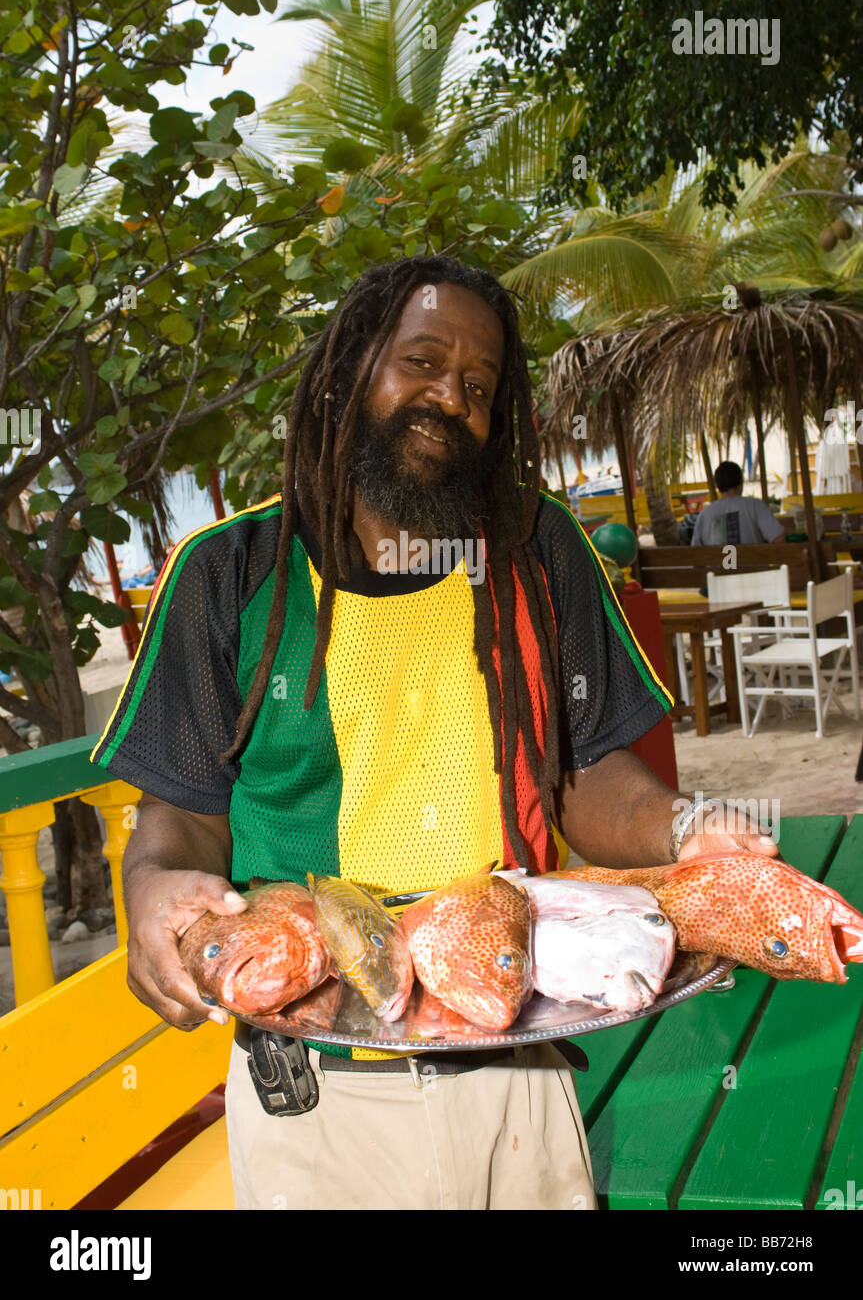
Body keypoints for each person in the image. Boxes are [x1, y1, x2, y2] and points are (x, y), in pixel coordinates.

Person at [91, 257, 778, 1211]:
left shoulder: (539, 556)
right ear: (345, 375)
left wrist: (688, 828)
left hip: (518, 1062)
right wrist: (155, 887)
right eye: (420, 361)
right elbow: (181, 820)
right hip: (313, 1091)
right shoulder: (226, 574)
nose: (448, 398)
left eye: (479, 385)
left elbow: (586, 777)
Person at [690, 461, 785, 546]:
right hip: (753, 565)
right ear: (740, 483)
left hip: (717, 565)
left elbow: (696, 552)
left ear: (718, 486)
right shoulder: (755, 506)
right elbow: (779, 538)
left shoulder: (705, 514)